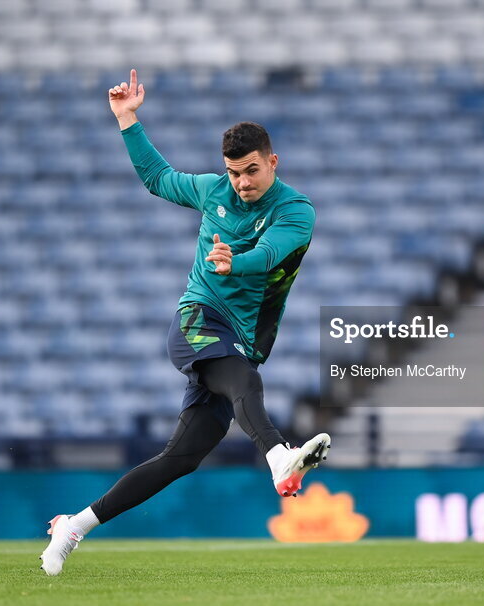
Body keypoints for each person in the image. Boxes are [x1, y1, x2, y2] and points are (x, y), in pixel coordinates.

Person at [40, 69, 330, 575]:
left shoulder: (296, 211)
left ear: (273, 162)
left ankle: (74, 525)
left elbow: (266, 255)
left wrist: (233, 261)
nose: (241, 183)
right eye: (234, 172)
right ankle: (279, 456)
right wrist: (128, 119)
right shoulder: (211, 190)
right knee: (244, 380)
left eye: (251, 171)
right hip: (197, 318)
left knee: (181, 458)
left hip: (239, 337)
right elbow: (157, 178)